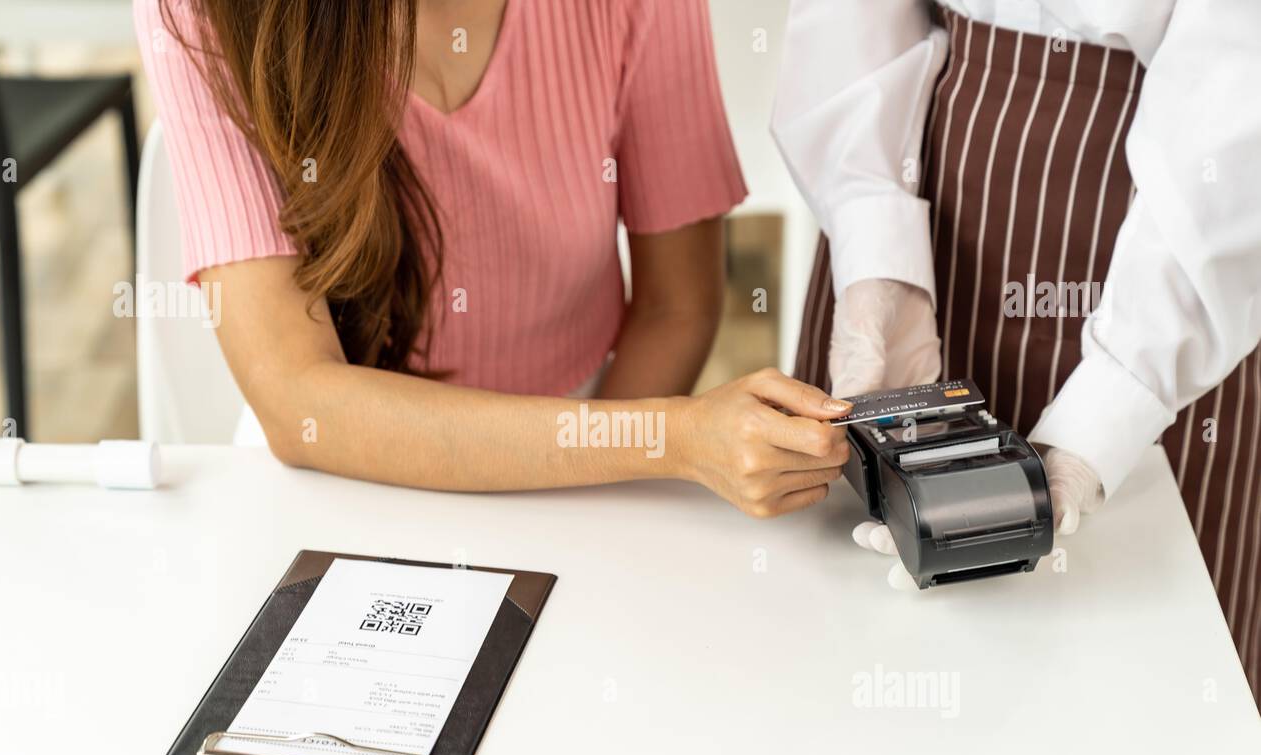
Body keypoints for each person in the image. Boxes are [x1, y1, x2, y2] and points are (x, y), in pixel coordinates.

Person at [135, 0, 853, 519]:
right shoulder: (199, 14)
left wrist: (602, 482)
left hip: (590, 444)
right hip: (337, 466)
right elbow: (299, 400)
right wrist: (672, 438)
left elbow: (677, 303)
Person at [773, 0, 1261, 696]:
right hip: (918, 169)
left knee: (1138, 694)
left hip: (1186, 232)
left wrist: (1120, 393)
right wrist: (873, 237)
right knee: (855, 665)